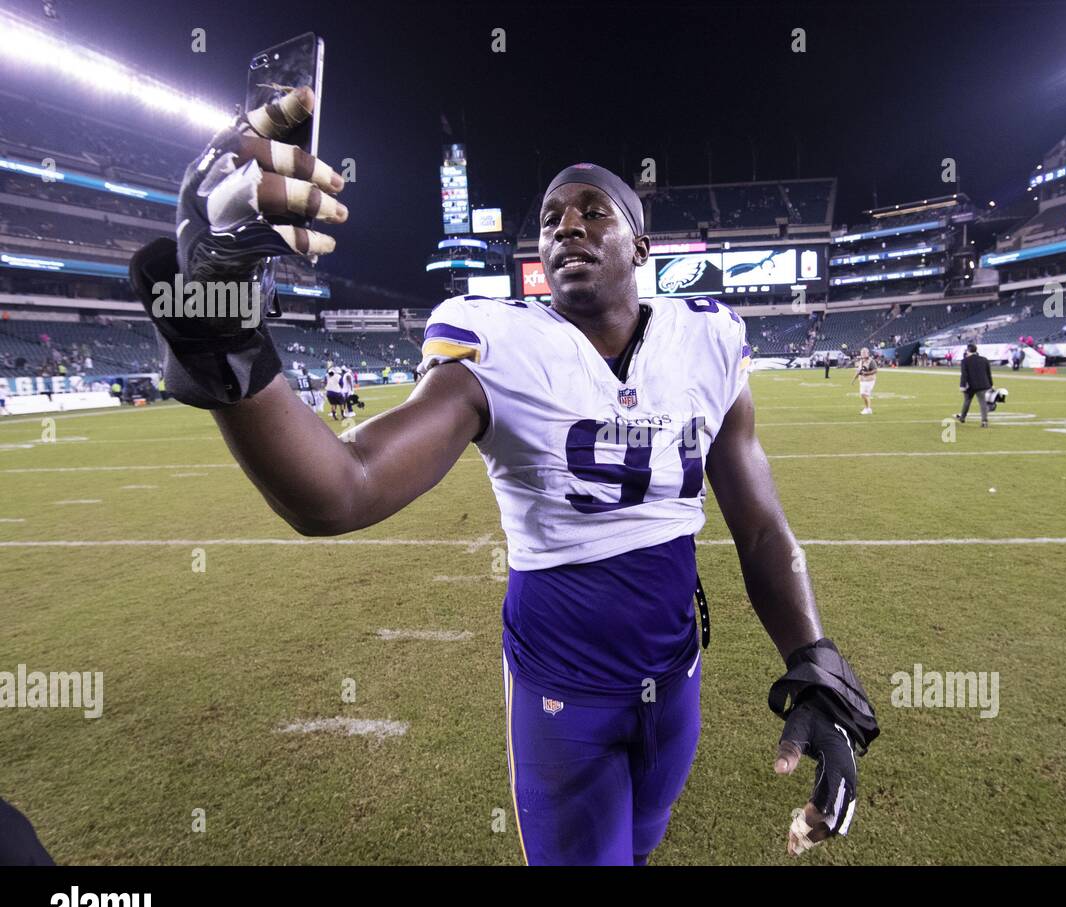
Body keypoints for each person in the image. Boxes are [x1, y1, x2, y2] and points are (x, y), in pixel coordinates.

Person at [126, 86, 878, 866]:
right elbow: (339, 489)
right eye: (551, 218)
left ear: (643, 246)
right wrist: (221, 323)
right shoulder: (497, 345)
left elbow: (757, 525)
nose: (567, 226)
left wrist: (811, 656)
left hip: (676, 678)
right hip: (563, 694)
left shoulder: (707, 339)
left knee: (640, 847)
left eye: (594, 211)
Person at [957, 343, 993, 428]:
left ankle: (962, 418)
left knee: (967, 401)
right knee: (982, 402)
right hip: (982, 385)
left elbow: (964, 375)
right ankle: (984, 421)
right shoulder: (984, 360)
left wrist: (962, 385)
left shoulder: (965, 361)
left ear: (968, 350)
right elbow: (988, 373)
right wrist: (991, 384)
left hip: (970, 385)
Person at [854, 347, 878, 415]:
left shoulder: (871, 361)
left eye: (865, 352)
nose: (863, 354)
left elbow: (875, 370)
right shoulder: (861, 361)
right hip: (862, 380)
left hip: (869, 380)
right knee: (862, 395)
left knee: (865, 394)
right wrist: (854, 379)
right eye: (862, 352)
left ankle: (868, 409)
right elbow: (859, 371)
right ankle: (867, 408)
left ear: (868, 353)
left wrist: (867, 373)